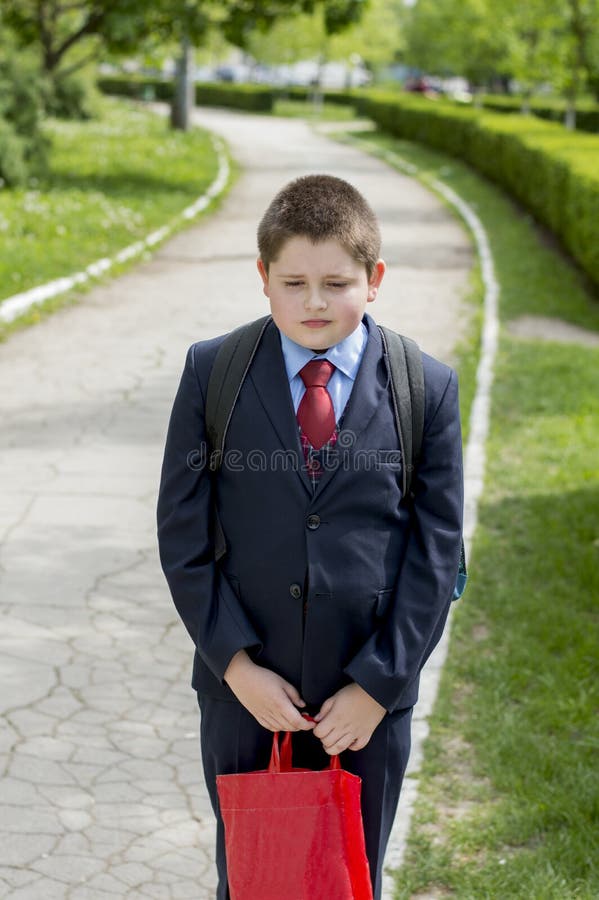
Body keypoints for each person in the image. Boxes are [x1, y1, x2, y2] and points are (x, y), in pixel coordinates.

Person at [156, 174, 464, 899]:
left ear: (374, 279)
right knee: (255, 876)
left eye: (336, 282)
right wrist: (233, 664)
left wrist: (377, 684)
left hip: (367, 703)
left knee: (348, 876)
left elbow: (436, 551)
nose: (315, 302)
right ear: (262, 278)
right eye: (293, 282)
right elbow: (182, 533)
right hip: (245, 695)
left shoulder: (426, 386)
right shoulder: (214, 372)